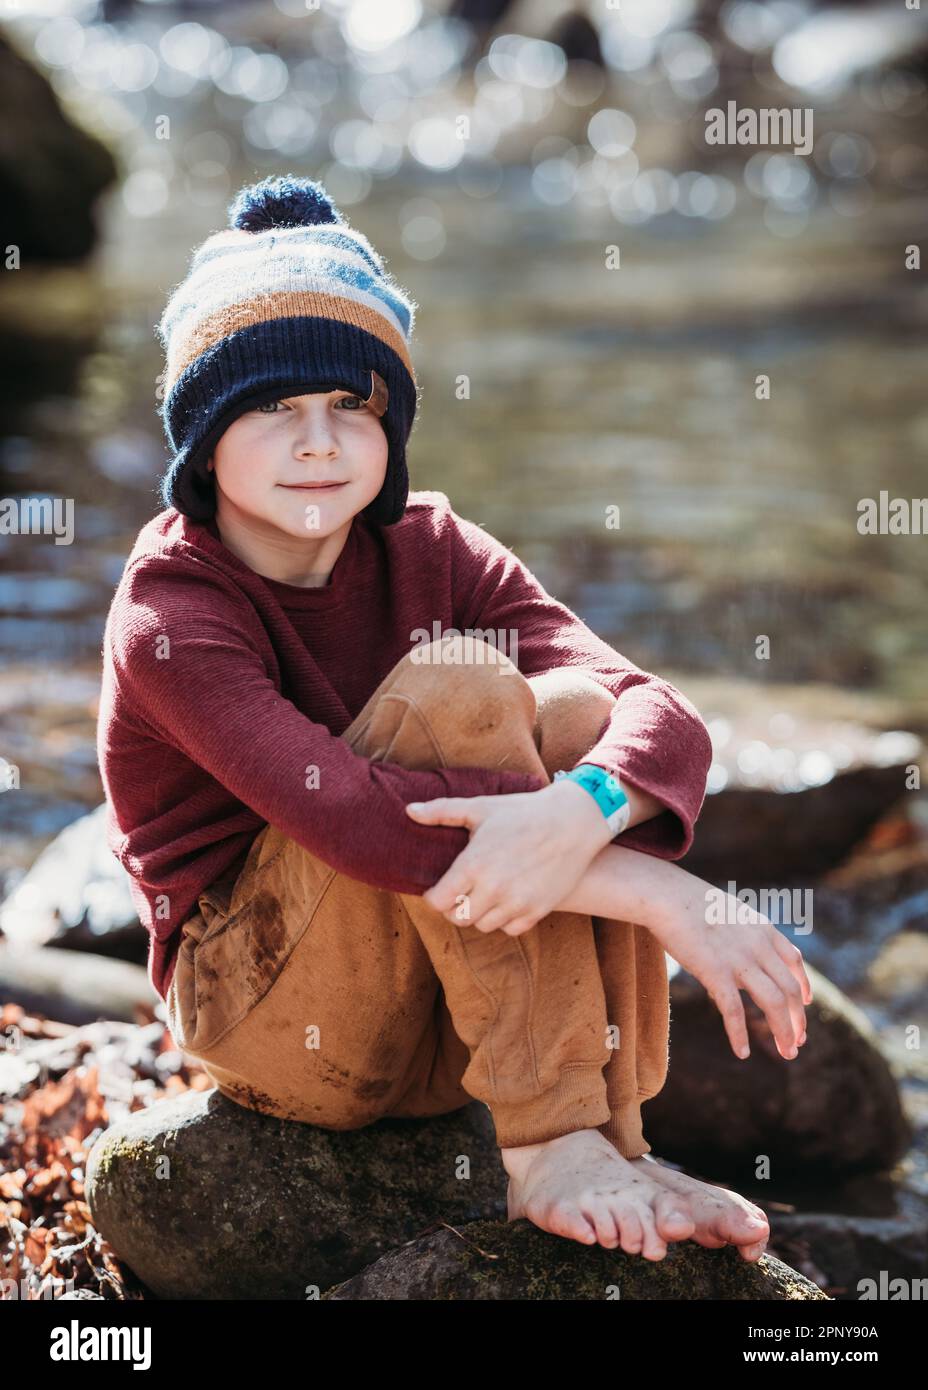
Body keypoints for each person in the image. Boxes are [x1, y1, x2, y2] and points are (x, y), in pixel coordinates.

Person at [96, 174, 810, 1264]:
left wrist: (593, 800)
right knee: (461, 691)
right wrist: (653, 886)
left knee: (572, 712)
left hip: (440, 1019)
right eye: (273, 407)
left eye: (351, 407)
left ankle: (610, 1134)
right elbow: (362, 825)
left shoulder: (431, 546)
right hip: (277, 1017)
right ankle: (551, 1140)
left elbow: (657, 713)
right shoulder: (171, 613)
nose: (318, 443)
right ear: (202, 435)